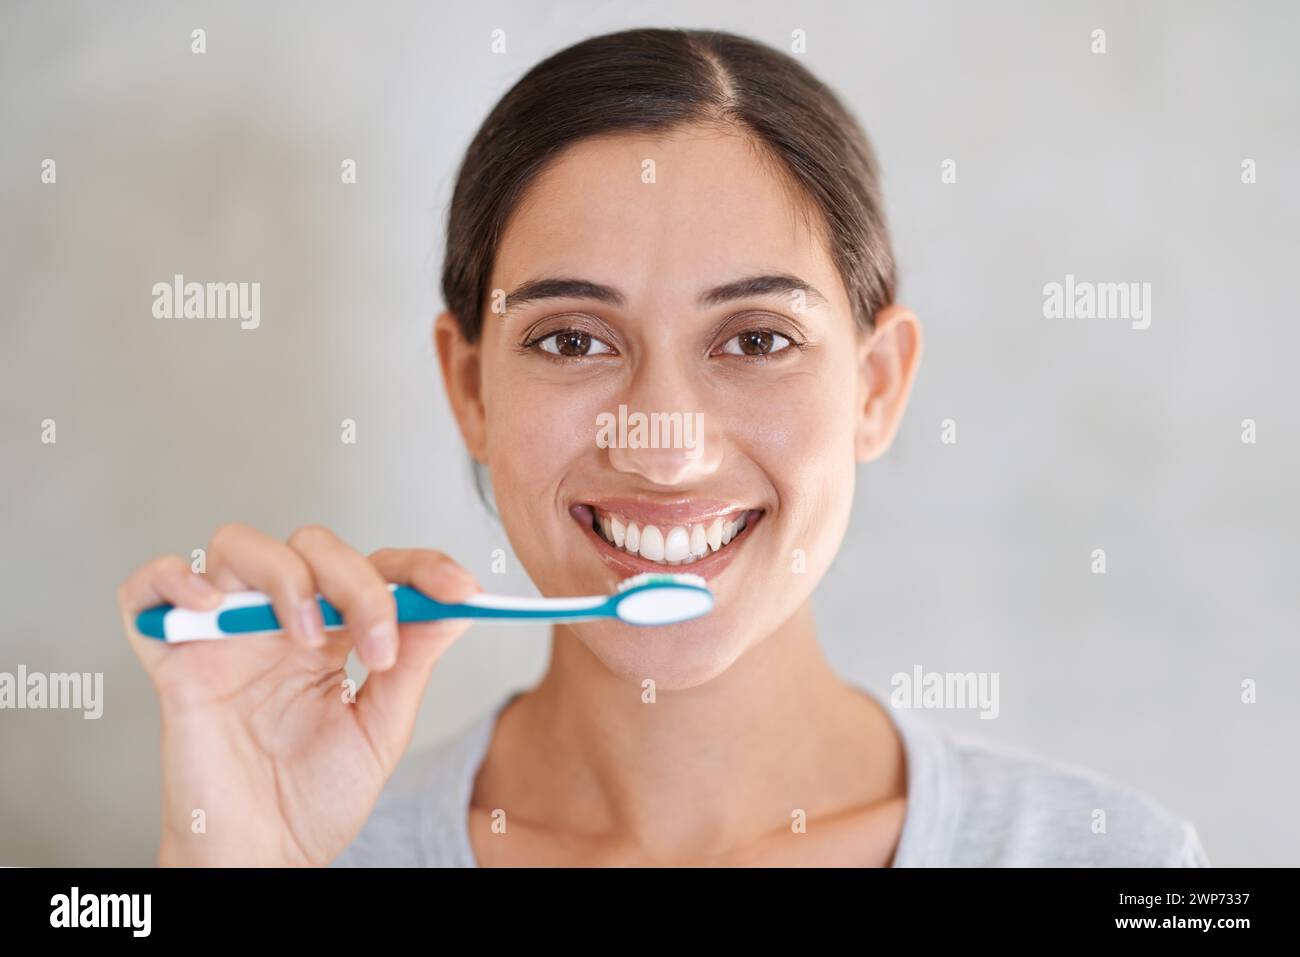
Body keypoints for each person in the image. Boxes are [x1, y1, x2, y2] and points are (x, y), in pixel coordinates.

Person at [117, 27, 1207, 867]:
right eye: (574, 339)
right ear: (469, 387)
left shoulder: (1119, 861)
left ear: (875, 386)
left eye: (756, 338)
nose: (664, 446)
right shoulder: (316, 849)